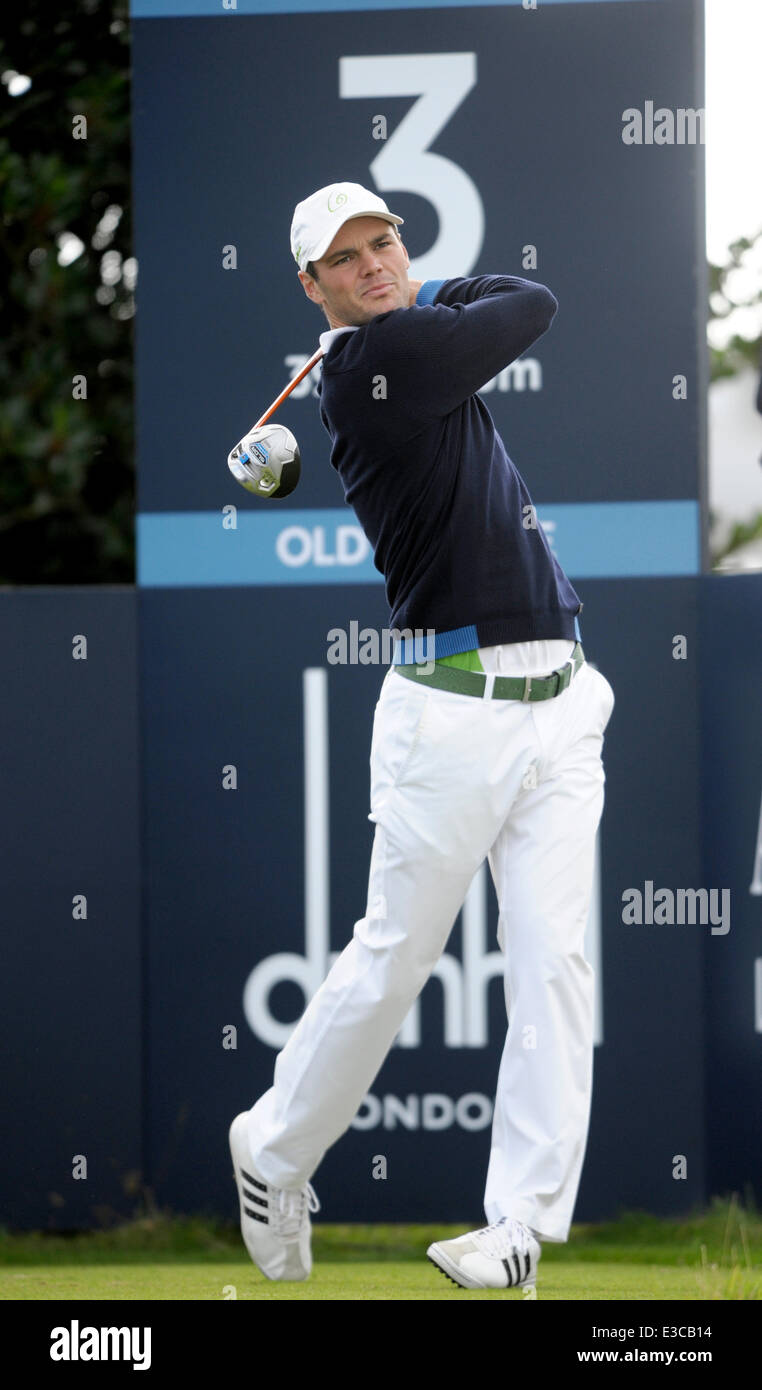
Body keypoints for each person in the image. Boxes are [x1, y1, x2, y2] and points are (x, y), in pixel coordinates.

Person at [229, 181, 615, 1292]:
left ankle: (518, 1229)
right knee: (397, 955)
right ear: (313, 289)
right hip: (449, 716)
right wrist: (420, 304)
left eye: (386, 242)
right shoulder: (366, 374)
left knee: (556, 967)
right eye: (346, 261)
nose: (376, 263)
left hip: (563, 697)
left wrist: (416, 295)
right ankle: (277, 1145)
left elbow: (500, 300)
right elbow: (528, 300)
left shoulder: (393, 340)